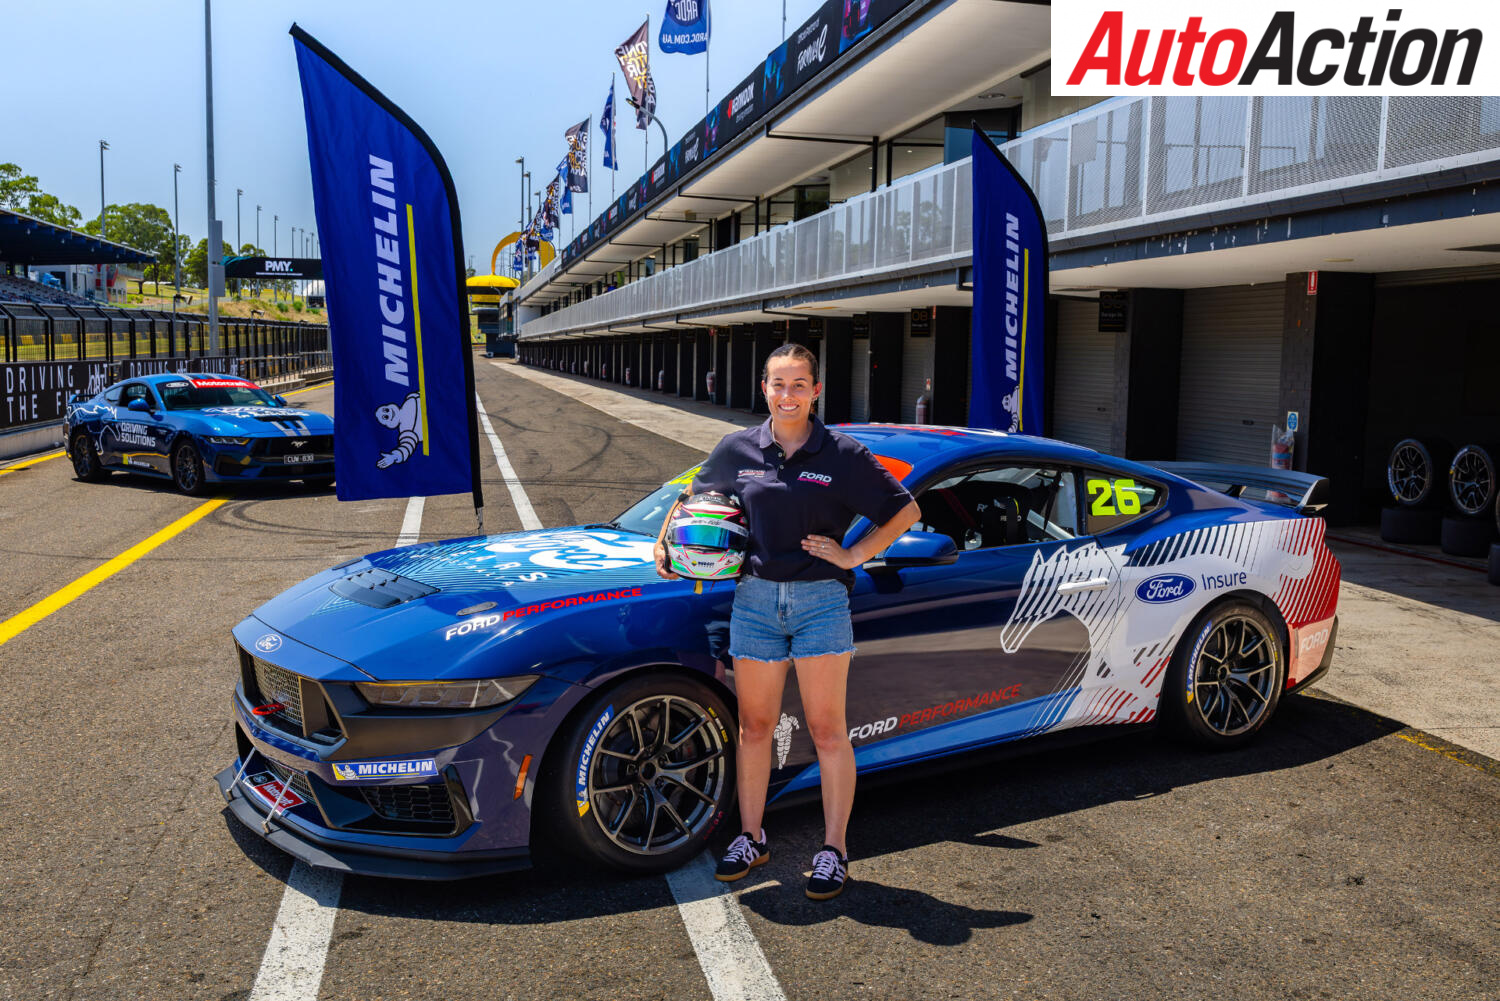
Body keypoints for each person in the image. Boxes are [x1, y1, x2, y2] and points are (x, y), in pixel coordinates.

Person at [654, 343, 919, 900]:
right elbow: (690, 498)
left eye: (799, 384)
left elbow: (905, 511)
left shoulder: (842, 454)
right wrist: (665, 545)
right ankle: (751, 837)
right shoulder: (737, 448)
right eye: (778, 383)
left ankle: (833, 850)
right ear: (764, 388)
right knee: (755, 728)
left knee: (827, 731)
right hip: (754, 601)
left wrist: (853, 555)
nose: (788, 394)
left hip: (821, 600)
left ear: (816, 391)